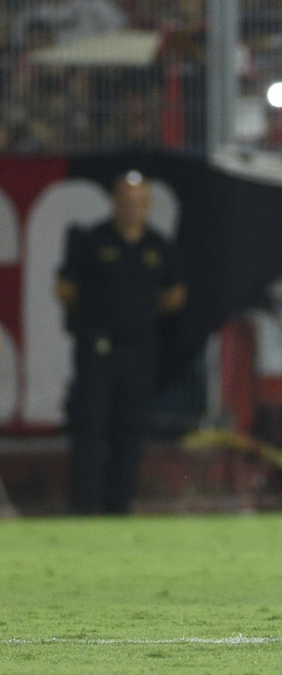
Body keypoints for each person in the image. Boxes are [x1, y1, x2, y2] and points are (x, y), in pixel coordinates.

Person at [55, 170, 186, 514]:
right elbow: (65, 287)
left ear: (147, 206)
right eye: (126, 201)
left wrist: (140, 315)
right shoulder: (93, 240)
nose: (132, 208)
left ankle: (119, 506)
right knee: (89, 426)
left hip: (139, 349)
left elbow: (175, 293)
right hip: (98, 347)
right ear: (114, 202)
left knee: (131, 429)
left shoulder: (158, 245)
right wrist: (94, 314)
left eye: (139, 202)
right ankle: (82, 507)